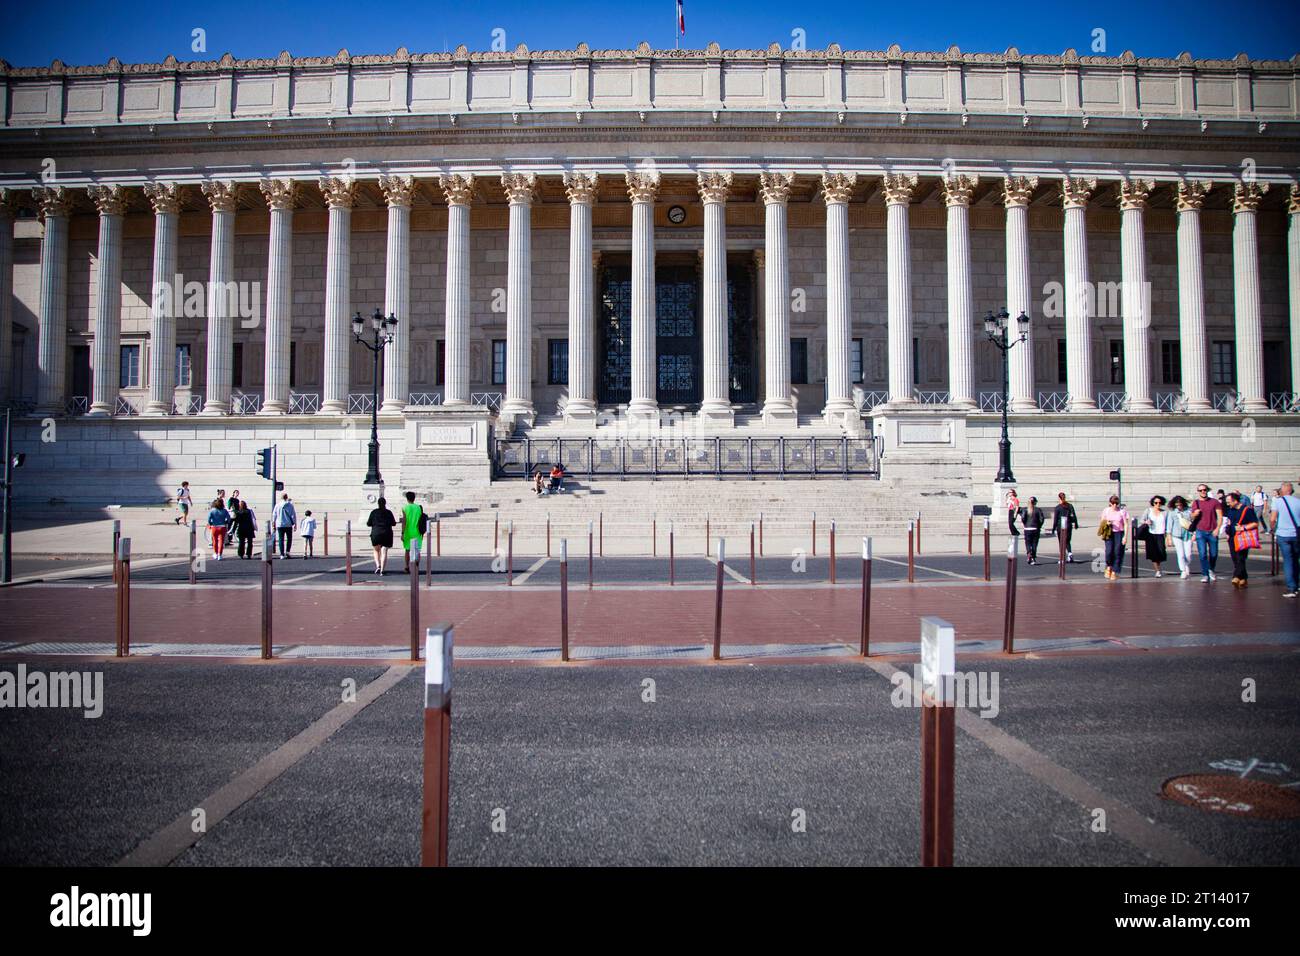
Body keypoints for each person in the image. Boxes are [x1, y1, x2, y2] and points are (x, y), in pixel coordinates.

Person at [1223, 491, 1260, 589]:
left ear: (1235, 501)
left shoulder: (1247, 510)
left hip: (1242, 537)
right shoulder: (1231, 510)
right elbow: (1229, 522)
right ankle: (1243, 579)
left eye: (1229, 501)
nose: (1227, 504)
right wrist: (1227, 532)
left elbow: (1255, 523)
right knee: (1235, 559)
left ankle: (1236, 577)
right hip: (1232, 537)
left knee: (1241, 558)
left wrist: (1243, 528)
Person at [1269, 481, 1300, 598]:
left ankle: (1292, 587)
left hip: (1283, 534)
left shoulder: (1277, 502)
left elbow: (1272, 519)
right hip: (1296, 534)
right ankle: (1297, 584)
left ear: (1283, 490)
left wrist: (1272, 528)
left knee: (1288, 560)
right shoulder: (1298, 501)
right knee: (1296, 559)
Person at [1190, 483, 1223, 582]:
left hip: (1212, 530)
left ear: (1207, 490)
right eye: (1200, 490)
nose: (1203, 491)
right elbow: (1192, 516)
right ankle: (1205, 574)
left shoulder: (1214, 502)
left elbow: (1220, 516)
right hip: (1200, 531)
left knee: (1213, 554)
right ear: (1198, 492)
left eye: (1204, 490)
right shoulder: (1196, 502)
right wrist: (1194, 514)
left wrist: (1218, 528)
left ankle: (1211, 569)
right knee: (1202, 554)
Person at [1098, 494, 1129, 580]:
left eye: (1116, 503)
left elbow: (1126, 524)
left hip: (1119, 533)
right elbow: (1102, 521)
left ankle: (1115, 571)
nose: (1115, 505)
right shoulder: (1106, 511)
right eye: (1113, 503)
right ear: (1110, 503)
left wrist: (1125, 537)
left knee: (1117, 552)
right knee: (1109, 551)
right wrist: (1106, 523)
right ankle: (1109, 566)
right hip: (1109, 533)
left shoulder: (1122, 512)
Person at [1140, 495, 1170, 577]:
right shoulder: (1148, 511)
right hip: (1151, 534)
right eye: (1156, 502)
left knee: (1161, 553)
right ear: (1153, 503)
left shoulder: (1165, 513)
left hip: (1161, 534)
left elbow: (1167, 525)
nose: (1158, 504)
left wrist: (1168, 537)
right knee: (1153, 553)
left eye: (1160, 503)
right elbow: (1141, 520)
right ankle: (1157, 570)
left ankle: (1158, 567)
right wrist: (1146, 522)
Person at [366, 497, 397, 575]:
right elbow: (394, 523)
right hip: (386, 533)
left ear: (378, 504)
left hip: (376, 533)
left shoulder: (374, 512)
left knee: (376, 550)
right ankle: (382, 570)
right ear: (385, 503)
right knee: (384, 551)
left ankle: (378, 565)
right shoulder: (389, 512)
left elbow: (368, 523)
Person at [1168, 495, 1195, 579]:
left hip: (1188, 534)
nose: (1178, 506)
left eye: (1180, 504)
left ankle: (1186, 565)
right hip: (1176, 534)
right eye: (1176, 505)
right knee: (1181, 554)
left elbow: (1193, 522)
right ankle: (1183, 570)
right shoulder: (1172, 513)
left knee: (1188, 554)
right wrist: (1169, 537)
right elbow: (1169, 525)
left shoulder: (1189, 511)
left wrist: (1194, 533)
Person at [400, 491, 426, 573]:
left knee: (407, 550)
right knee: (417, 550)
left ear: (407, 499)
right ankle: (416, 566)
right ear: (414, 498)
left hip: (408, 531)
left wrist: (402, 532)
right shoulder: (418, 507)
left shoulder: (405, 508)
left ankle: (407, 566)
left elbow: (404, 521)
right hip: (417, 531)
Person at [1052, 492, 1078, 563]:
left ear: (1059, 498)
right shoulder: (1070, 506)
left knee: (1061, 542)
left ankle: (1062, 558)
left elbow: (1055, 519)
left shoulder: (1057, 508)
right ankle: (1070, 553)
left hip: (1061, 526)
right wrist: (1076, 524)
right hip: (1068, 525)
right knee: (1067, 541)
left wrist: (1053, 528)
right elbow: (1074, 515)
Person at [1020, 496, 1045, 565]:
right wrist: (1039, 526)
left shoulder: (1025, 509)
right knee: (1034, 543)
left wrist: (1025, 524)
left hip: (1027, 528)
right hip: (1035, 528)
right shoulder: (1038, 510)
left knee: (1028, 542)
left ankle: (1028, 553)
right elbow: (1042, 519)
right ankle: (1033, 556)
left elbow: (1023, 518)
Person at [272, 493, 297, 559]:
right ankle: (288, 552)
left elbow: (274, 515)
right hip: (288, 524)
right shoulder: (290, 505)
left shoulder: (277, 505)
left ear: (281, 498)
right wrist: (295, 524)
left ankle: (282, 554)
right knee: (289, 539)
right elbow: (293, 515)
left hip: (280, 524)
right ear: (287, 497)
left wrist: (273, 523)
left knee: (281, 539)